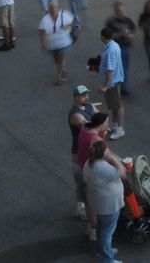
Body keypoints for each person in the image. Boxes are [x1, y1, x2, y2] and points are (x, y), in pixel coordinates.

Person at [84, 140, 125, 262]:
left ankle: (101, 250)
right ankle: (107, 259)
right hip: (109, 205)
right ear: (103, 153)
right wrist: (112, 158)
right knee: (107, 232)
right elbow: (122, 172)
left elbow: (85, 179)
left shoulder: (88, 163)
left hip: (98, 201)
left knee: (101, 228)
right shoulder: (103, 168)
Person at [67, 85, 95, 220]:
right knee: (81, 181)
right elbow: (89, 128)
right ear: (76, 98)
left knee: (91, 179)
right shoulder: (75, 115)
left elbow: (99, 117)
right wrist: (101, 125)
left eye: (87, 94)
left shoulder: (89, 106)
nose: (86, 97)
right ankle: (81, 208)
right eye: (83, 95)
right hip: (78, 152)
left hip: (90, 149)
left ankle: (88, 205)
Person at [39, 0, 75, 84]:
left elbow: (72, 23)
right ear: (48, 9)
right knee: (57, 60)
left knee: (60, 58)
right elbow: (41, 31)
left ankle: (58, 77)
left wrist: (67, 26)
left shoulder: (64, 14)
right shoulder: (45, 19)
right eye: (50, 8)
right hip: (52, 45)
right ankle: (61, 68)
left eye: (54, 7)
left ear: (57, 7)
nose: (52, 10)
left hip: (64, 43)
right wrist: (43, 42)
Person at [99, 26, 126, 139]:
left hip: (112, 82)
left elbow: (111, 69)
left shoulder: (110, 50)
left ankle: (120, 129)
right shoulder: (114, 45)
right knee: (114, 105)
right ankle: (114, 125)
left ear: (103, 37)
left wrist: (105, 85)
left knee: (118, 105)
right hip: (115, 80)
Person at [104, 1, 136, 97]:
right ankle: (124, 88)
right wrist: (120, 34)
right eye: (119, 11)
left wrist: (131, 35)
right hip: (116, 47)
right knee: (122, 68)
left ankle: (119, 85)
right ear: (115, 11)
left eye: (122, 11)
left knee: (124, 67)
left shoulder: (127, 20)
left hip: (126, 47)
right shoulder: (110, 22)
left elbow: (133, 29)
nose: (122, 13)